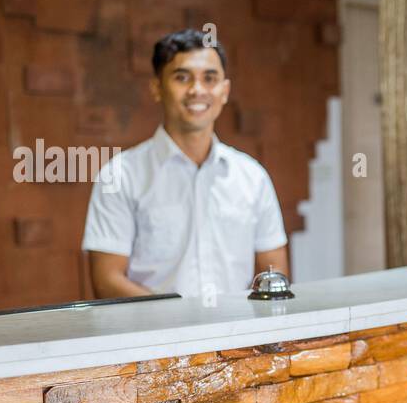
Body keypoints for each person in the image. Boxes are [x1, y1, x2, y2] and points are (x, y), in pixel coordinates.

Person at [81, 29, 289, 298]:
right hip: (156, 338)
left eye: (210, 78)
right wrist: (182, 324)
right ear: (157, 87)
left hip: (239, 337)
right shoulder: (120, 177)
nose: (197, 90)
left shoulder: (252, 176)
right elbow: (107, 281)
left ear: (224, 91)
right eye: (182, 77)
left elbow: (273, 273)